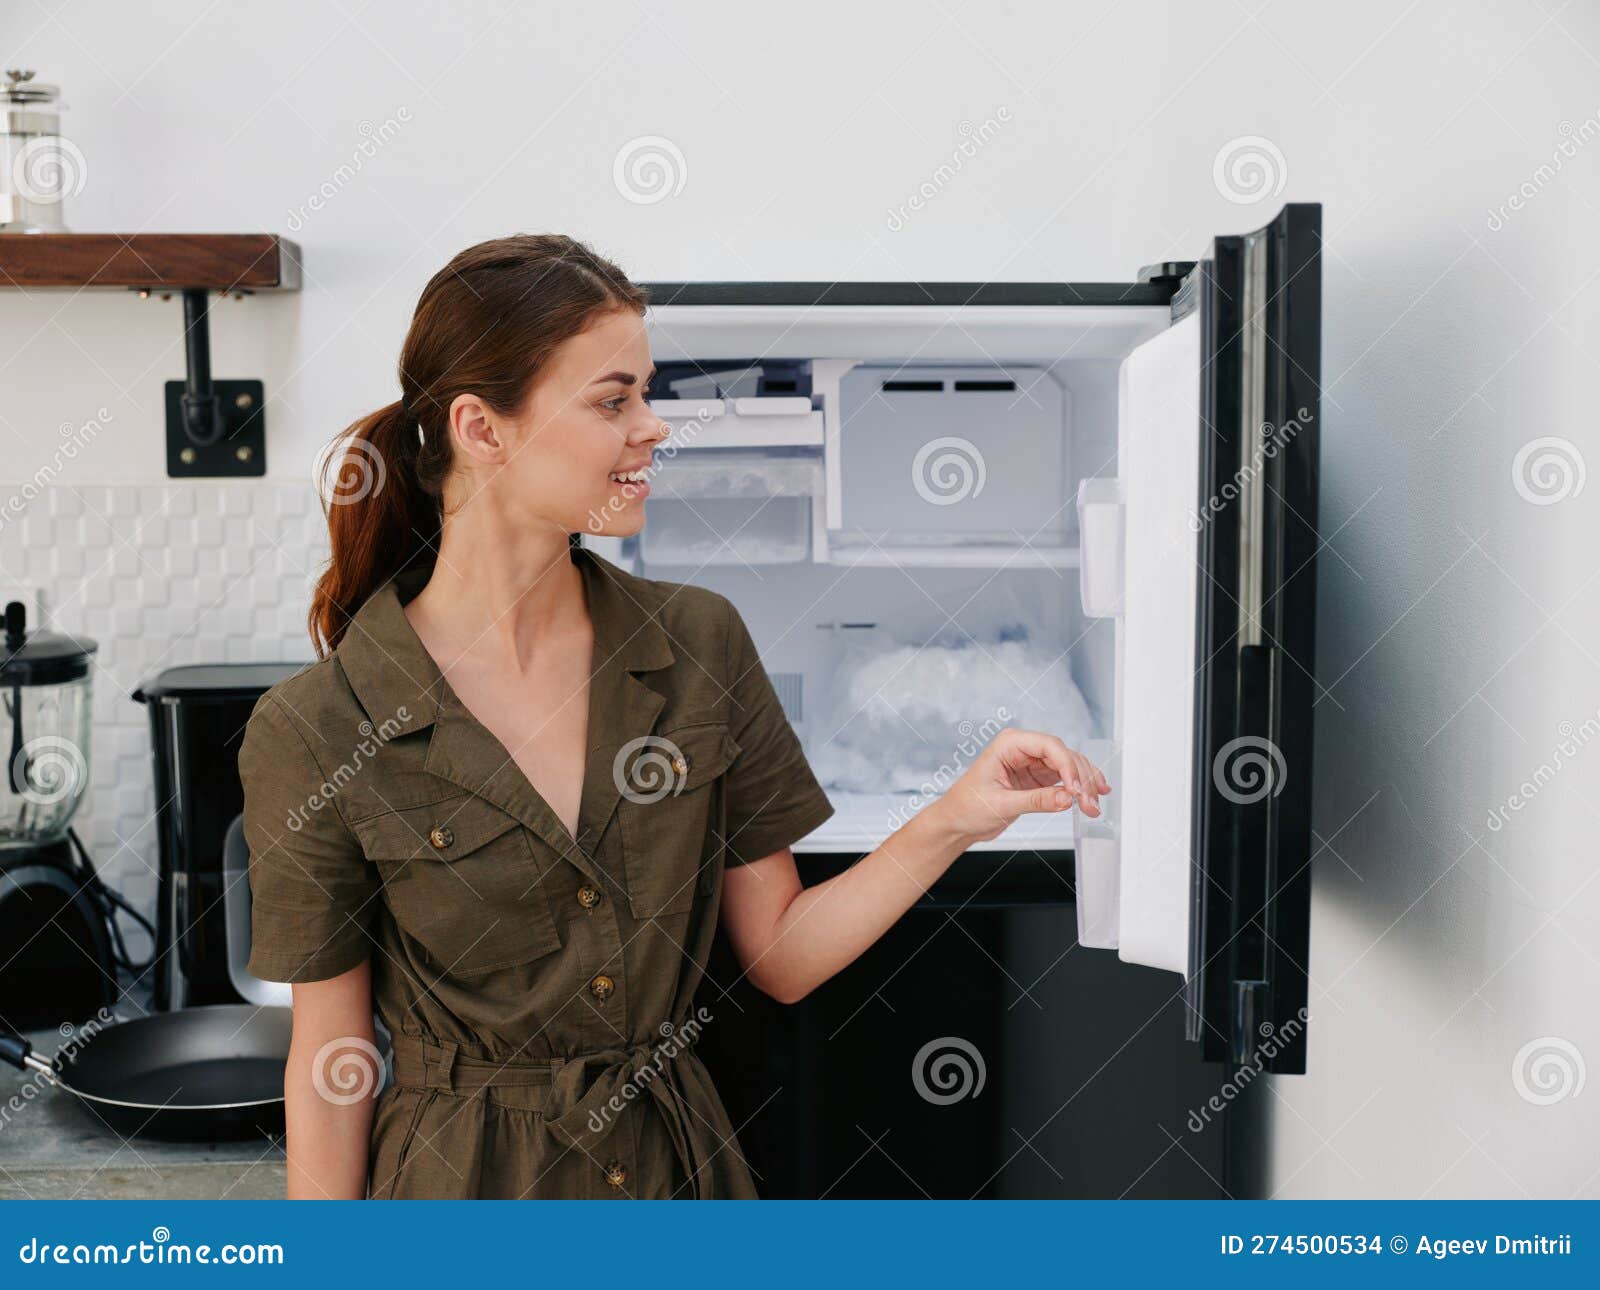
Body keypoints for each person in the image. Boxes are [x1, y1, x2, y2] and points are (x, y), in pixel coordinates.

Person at [238, 233, 1111, 1200]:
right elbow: (330, 1060)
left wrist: (959, 812)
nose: (654, 426)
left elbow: (780, 954)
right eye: (615, 400)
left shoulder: (697, 644)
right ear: (482, 430)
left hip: (674, 1181)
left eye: (646, 395)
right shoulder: (318, 726)